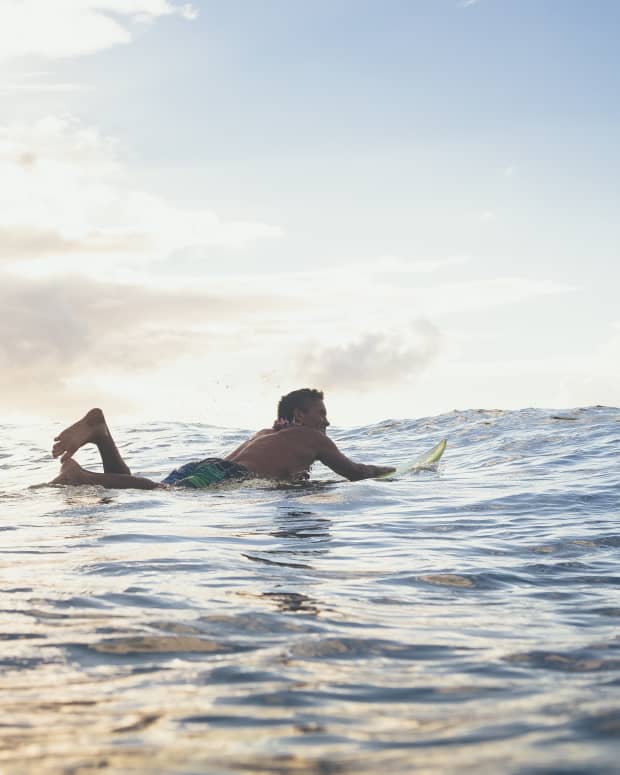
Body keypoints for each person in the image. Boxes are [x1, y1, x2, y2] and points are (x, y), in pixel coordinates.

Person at [50, 388, 395, 489]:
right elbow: (354, 473)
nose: (327, 421)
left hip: (211, 467)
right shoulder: (312, 438)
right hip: (229, 476)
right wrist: (394, 470)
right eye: (320, 413)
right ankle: (82, 476)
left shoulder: (268, 434)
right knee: (159, 492)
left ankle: (102, 436)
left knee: (153, 489)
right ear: (300, 416)